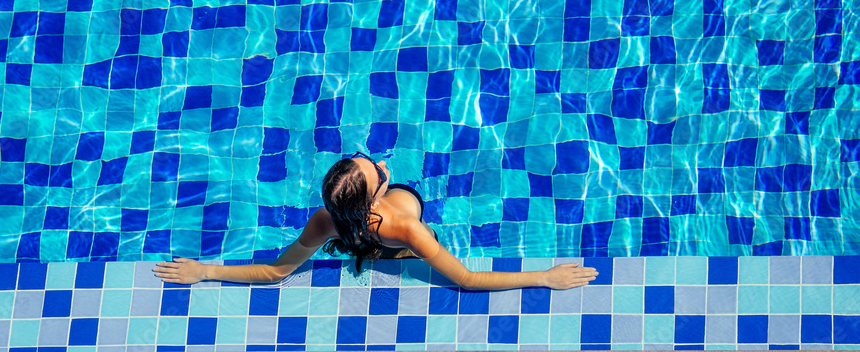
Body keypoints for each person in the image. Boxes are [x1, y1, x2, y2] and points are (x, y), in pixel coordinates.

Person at [154, 151, 598, 291]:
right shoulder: (405, 226)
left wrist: (206, 271)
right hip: (396, 239)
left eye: (365, 161)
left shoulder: (325, 221)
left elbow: (276, 271)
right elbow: (465, 278)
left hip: (364, 240)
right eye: (379, 172)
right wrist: (544, 276)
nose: (382, 163)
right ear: (379, 195)